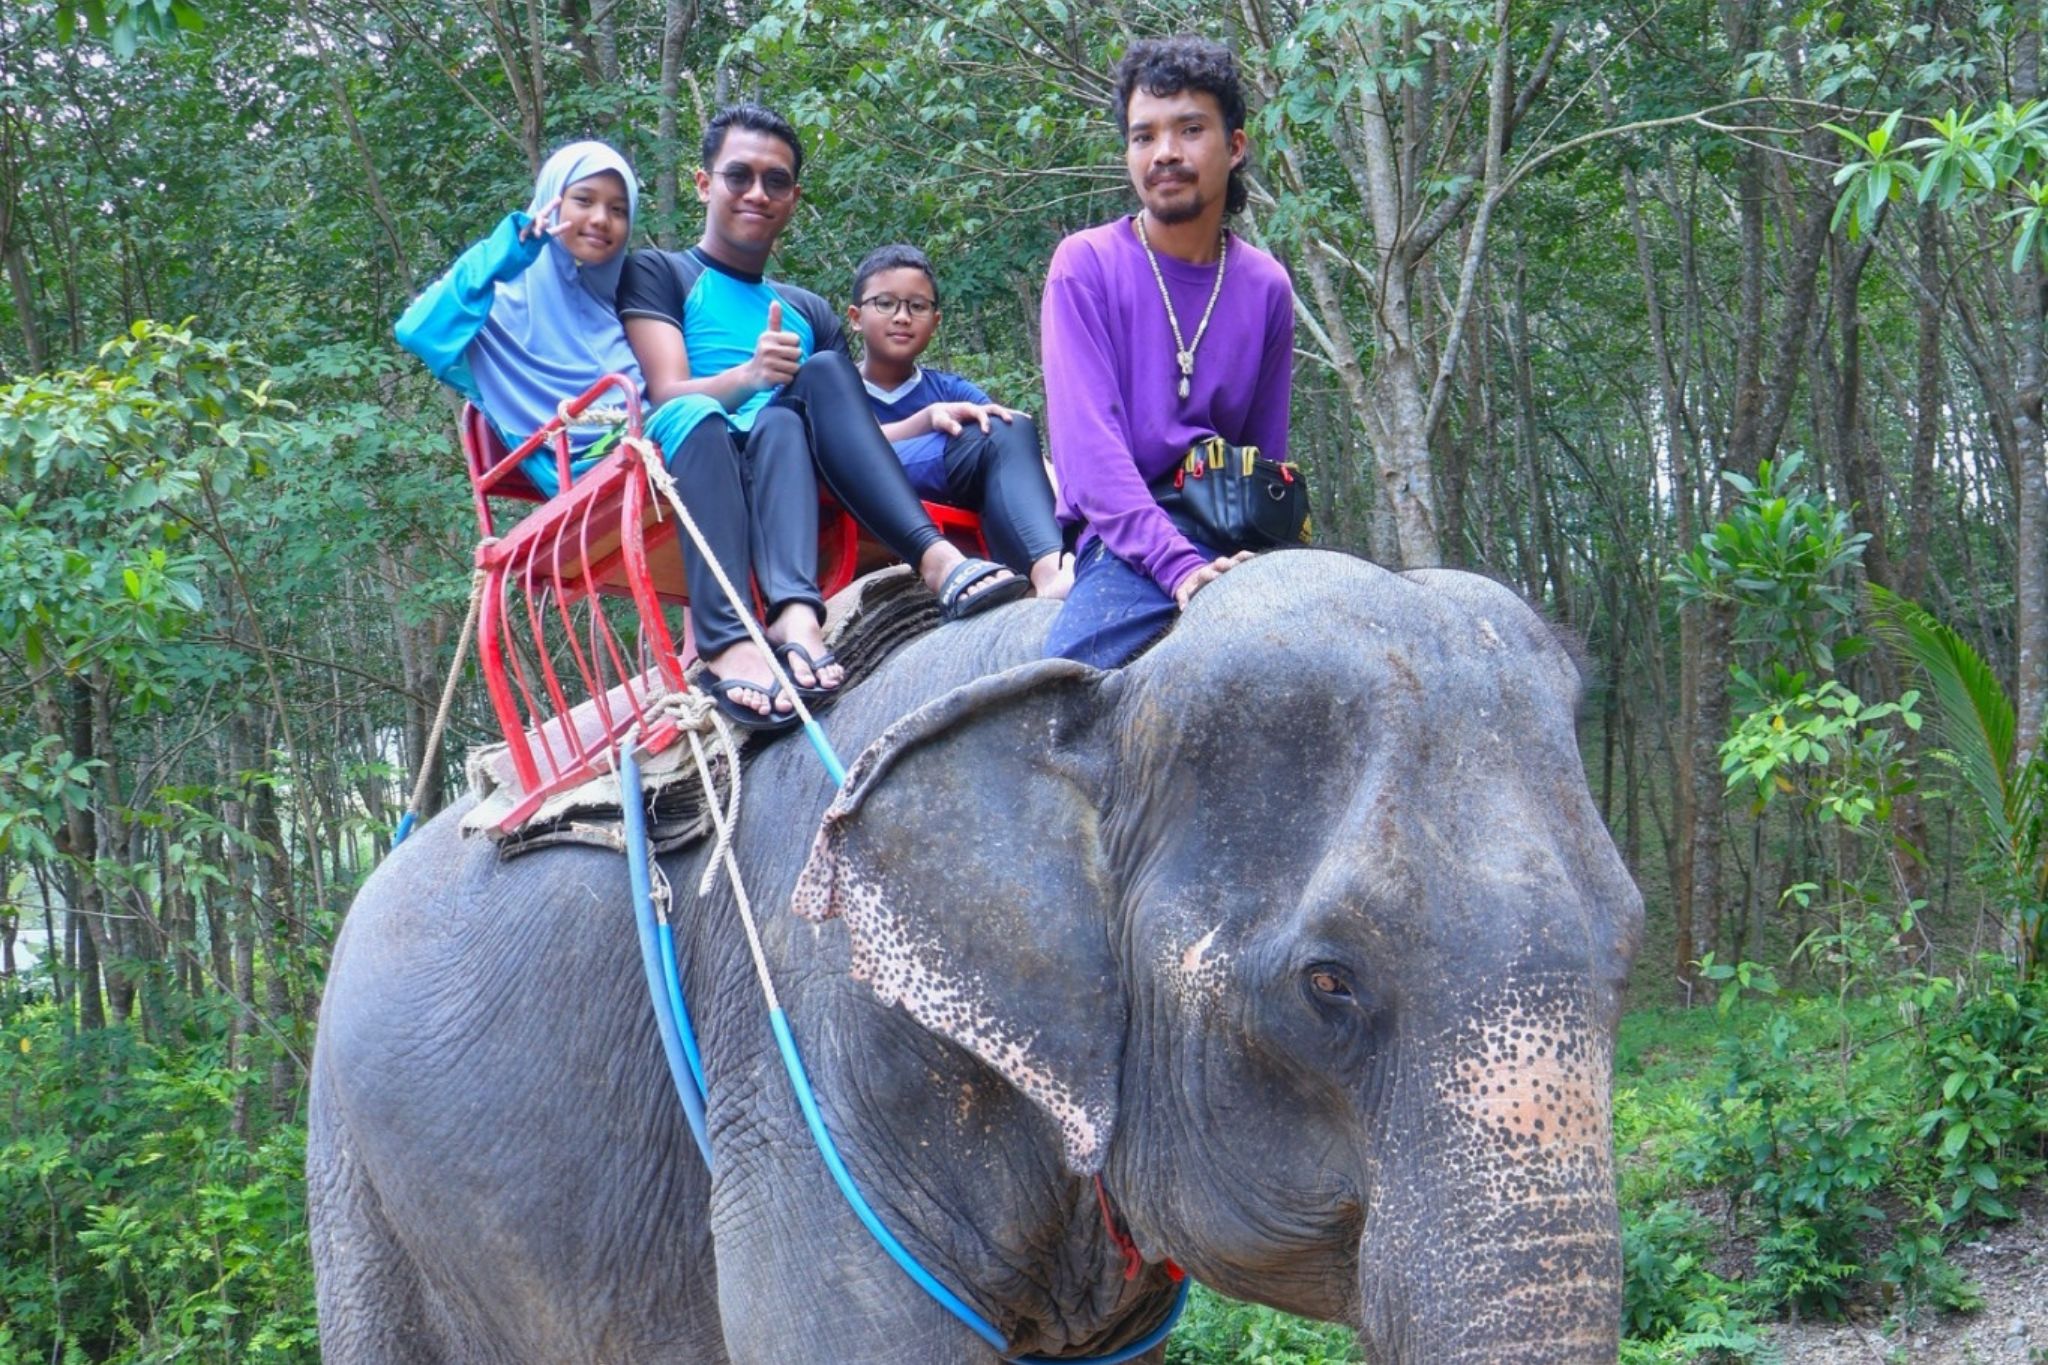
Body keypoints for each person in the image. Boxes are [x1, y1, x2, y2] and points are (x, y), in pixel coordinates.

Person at [394, 140, 838, 732]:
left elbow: (668, 391)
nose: (602, 220)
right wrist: (511, 246)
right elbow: (417, 329)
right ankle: (727, 640)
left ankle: (794, 610)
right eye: (584, 201)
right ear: (550, 203)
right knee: (693, 416)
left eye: (618, 209)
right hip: (592, 464)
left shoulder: (614, 303)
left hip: (668, 448)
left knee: (775, 424)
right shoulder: (496, 308)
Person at [619, 104, 1028, 640]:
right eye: (739, 175)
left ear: (793, 198)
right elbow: (667, 395)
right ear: (703, 184)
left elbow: (845, 435)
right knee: (811, 388)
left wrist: (925, 418)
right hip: (715, 460)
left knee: (833, 374)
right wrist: (752, 375)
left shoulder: (808, 309)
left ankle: (967, 565)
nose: (757, 193)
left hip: (800, 464)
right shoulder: (661, 271)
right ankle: (934, 559)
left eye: (776, 181)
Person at [1038, 38, 1296, 667]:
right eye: (1143, 136)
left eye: (1189, 129)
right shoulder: (1085, 266)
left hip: (1233, 534)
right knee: (1060, 709)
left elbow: (1267, 459)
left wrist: (1262, 560)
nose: (1166, 154)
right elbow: (1090, 455)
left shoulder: (1267, 287)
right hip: (1126, 542)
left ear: (1234, 147)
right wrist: (1176, 565)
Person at [847, 243, 1072, 600]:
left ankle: (1049, 573)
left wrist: (1071, 506)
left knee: (1008, 425)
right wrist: (926, 421)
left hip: (955, 500)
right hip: (863, 490)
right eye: (886, 303)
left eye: (917, 306)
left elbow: (1008, 442)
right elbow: (832, 451)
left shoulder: (950, 388)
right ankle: (1048, 570)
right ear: (856, 317)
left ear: (935, 323)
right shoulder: (835, 389)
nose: (902, 316)